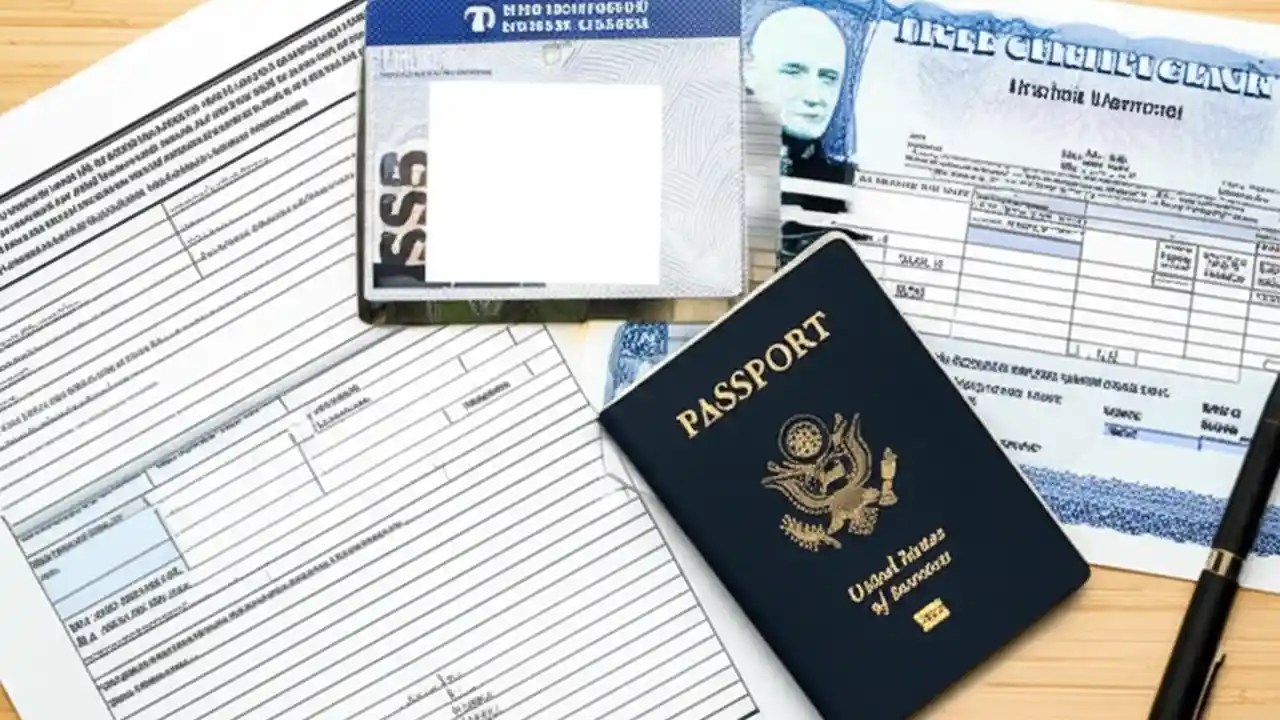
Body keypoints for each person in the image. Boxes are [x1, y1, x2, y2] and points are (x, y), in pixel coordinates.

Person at [745, 5, 865, 266]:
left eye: (828, 77)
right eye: (793, 71)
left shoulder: (846, 189)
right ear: (749, 71)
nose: (814, 97)